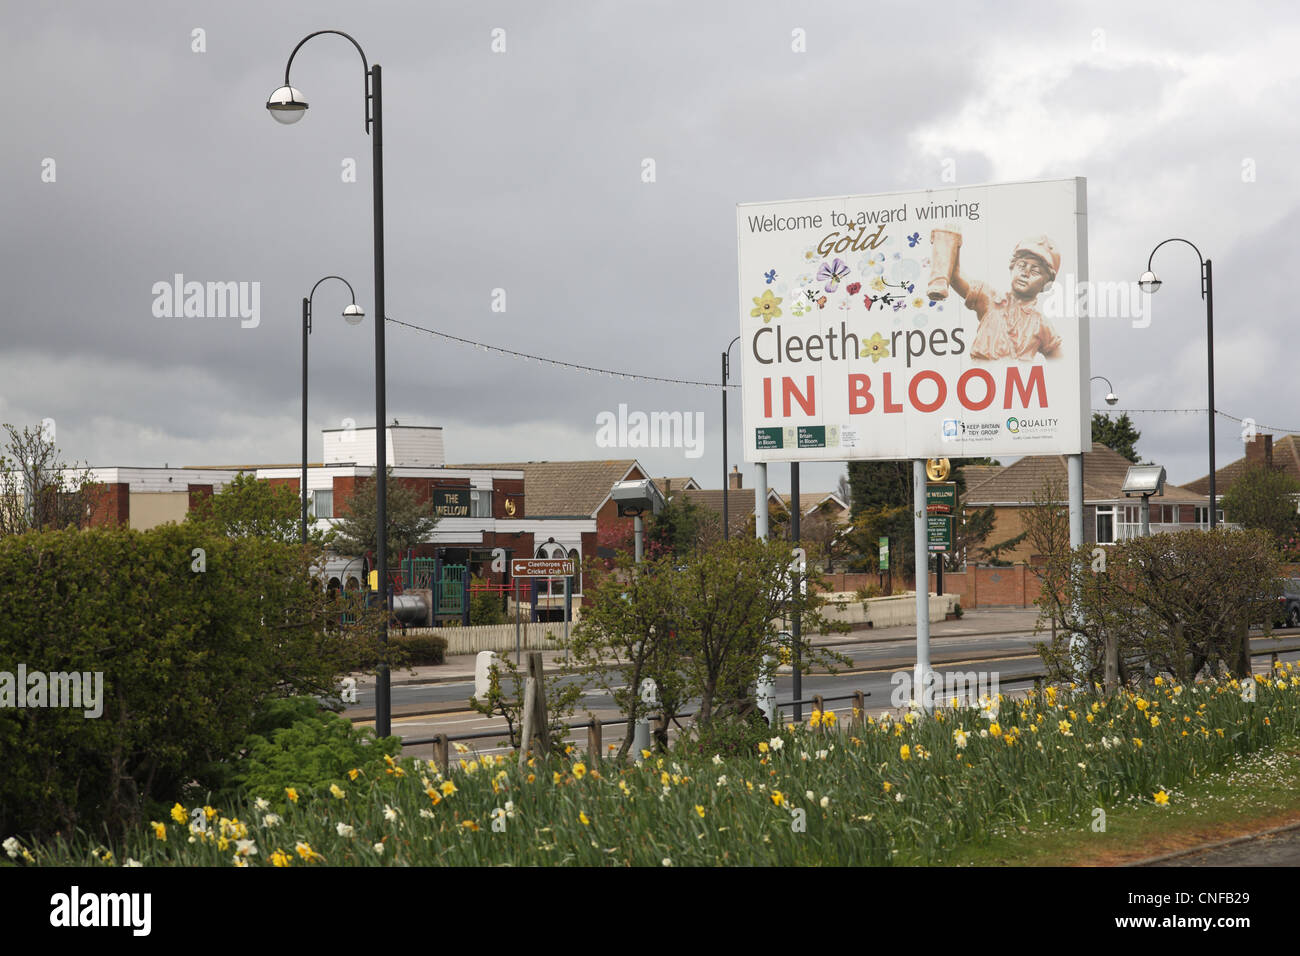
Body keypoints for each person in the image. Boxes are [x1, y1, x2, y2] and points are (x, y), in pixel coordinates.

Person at [948, 235, 1063, 361]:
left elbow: (1060, 367)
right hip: (983, 377)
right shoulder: (989, 298)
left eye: (1035, 272)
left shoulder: (1041, 324)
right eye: (1021, 265)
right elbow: (955, 277)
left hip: (1017, 379)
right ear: (1012, 267)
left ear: (1046, 284)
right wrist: (952, 242)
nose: (1025, 273)